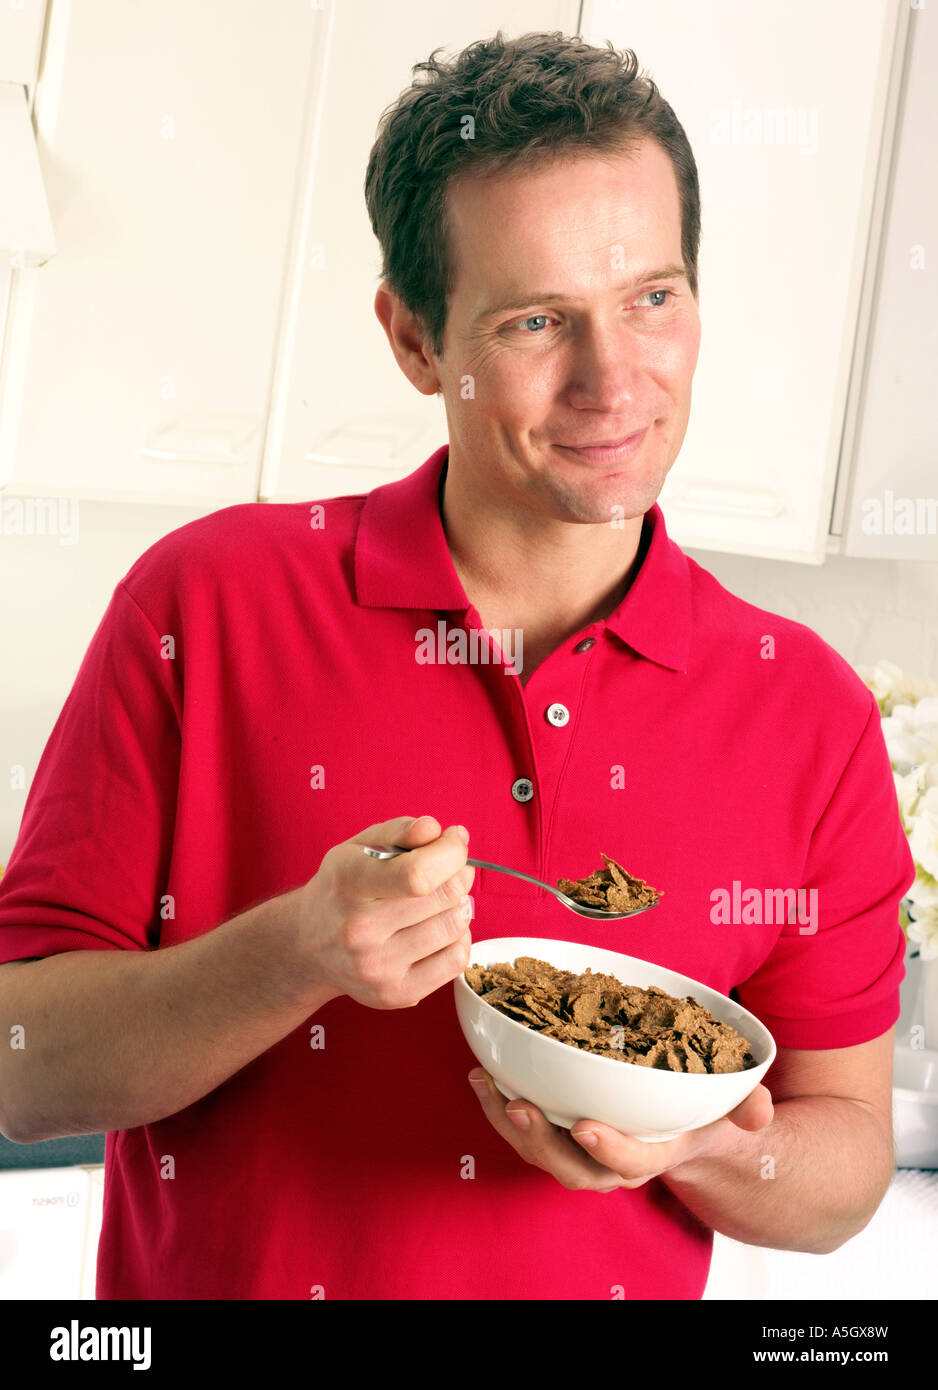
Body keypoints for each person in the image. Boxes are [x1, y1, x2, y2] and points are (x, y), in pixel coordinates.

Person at [0, 32, 913, 1300]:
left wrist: (695, 1147)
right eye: (535, 320)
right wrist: (294, 952)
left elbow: (845, 1159)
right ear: (416, 341)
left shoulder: (806, 709)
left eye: (651, 298)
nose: (611, 381)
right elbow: (23, 1063)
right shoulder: (204, 606)